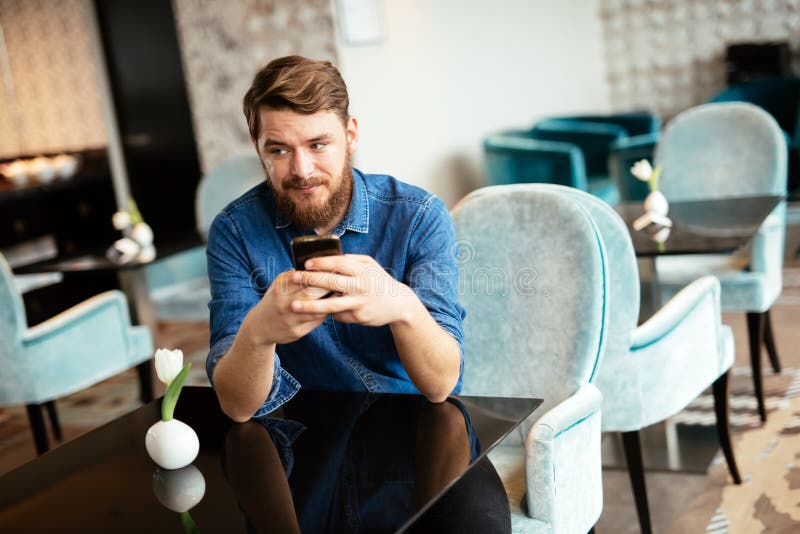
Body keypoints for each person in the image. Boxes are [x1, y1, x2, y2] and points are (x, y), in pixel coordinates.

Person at [206, 55, 465, 423]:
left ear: (351, 134)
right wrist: (258, 333)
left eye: (317, 145)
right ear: (257, 146)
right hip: (307, 439)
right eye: (279, 150)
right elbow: (237, 406)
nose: (301, 170)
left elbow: (441, 384)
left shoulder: (419, 215)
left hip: (415, 426)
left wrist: (400, 304)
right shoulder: (234, 231)